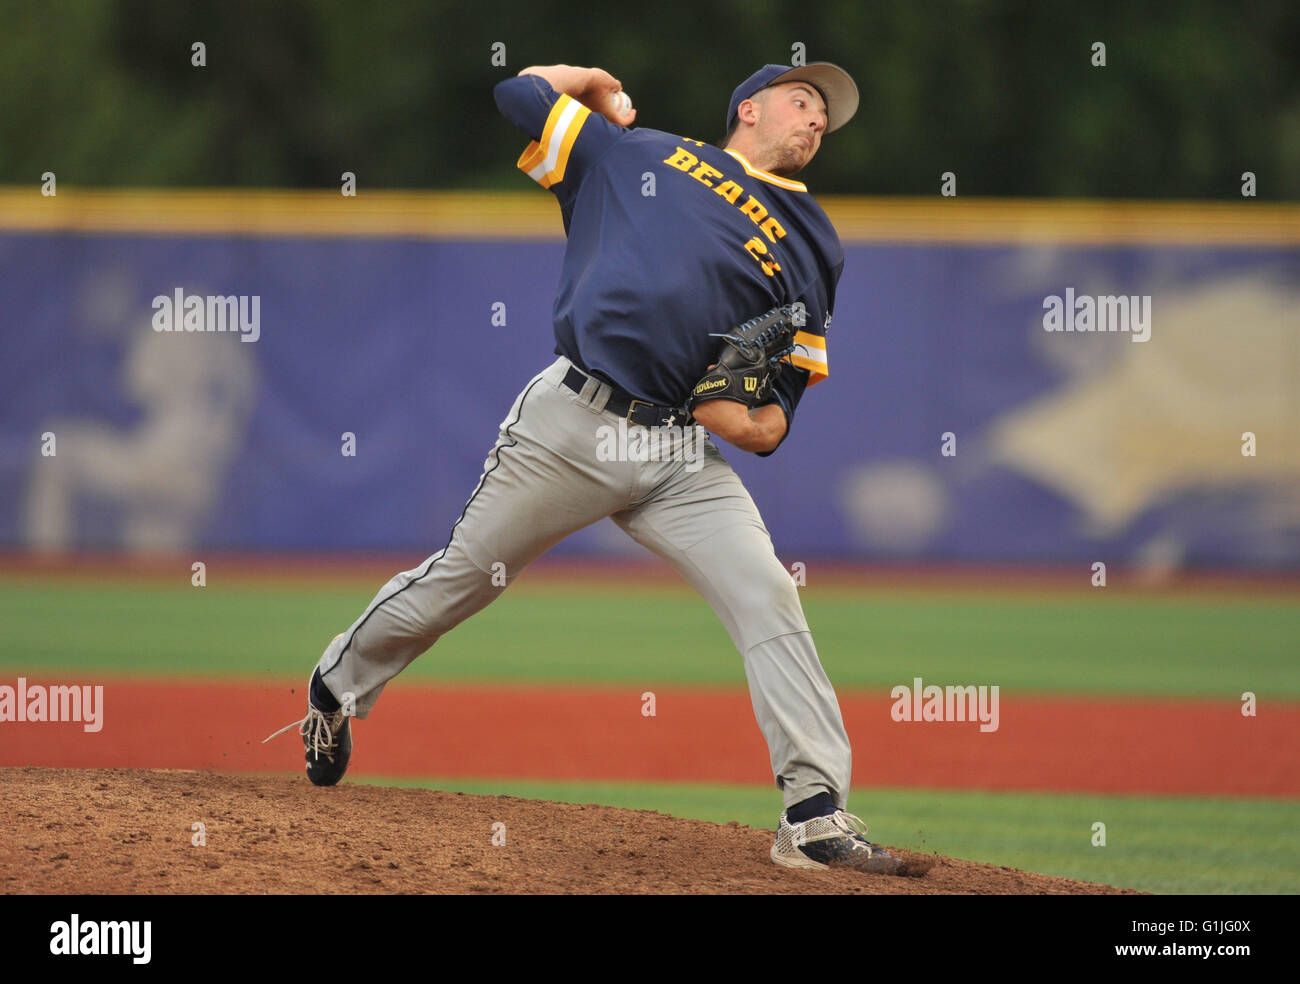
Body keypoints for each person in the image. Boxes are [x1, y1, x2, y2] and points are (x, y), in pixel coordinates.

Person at [269, 61, 909, 875]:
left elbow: (783, 390)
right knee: (464, 577)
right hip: (575, 421)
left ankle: (814, 813)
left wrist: (751, 424)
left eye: (827, 117)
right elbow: (518, 92)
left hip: (681, 453)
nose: (817, 120)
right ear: (747, 108)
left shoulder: (815, 241)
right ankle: (336, 686)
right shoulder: (641, 155)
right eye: (803, 100)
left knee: (768, 590)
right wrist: (595, 82)